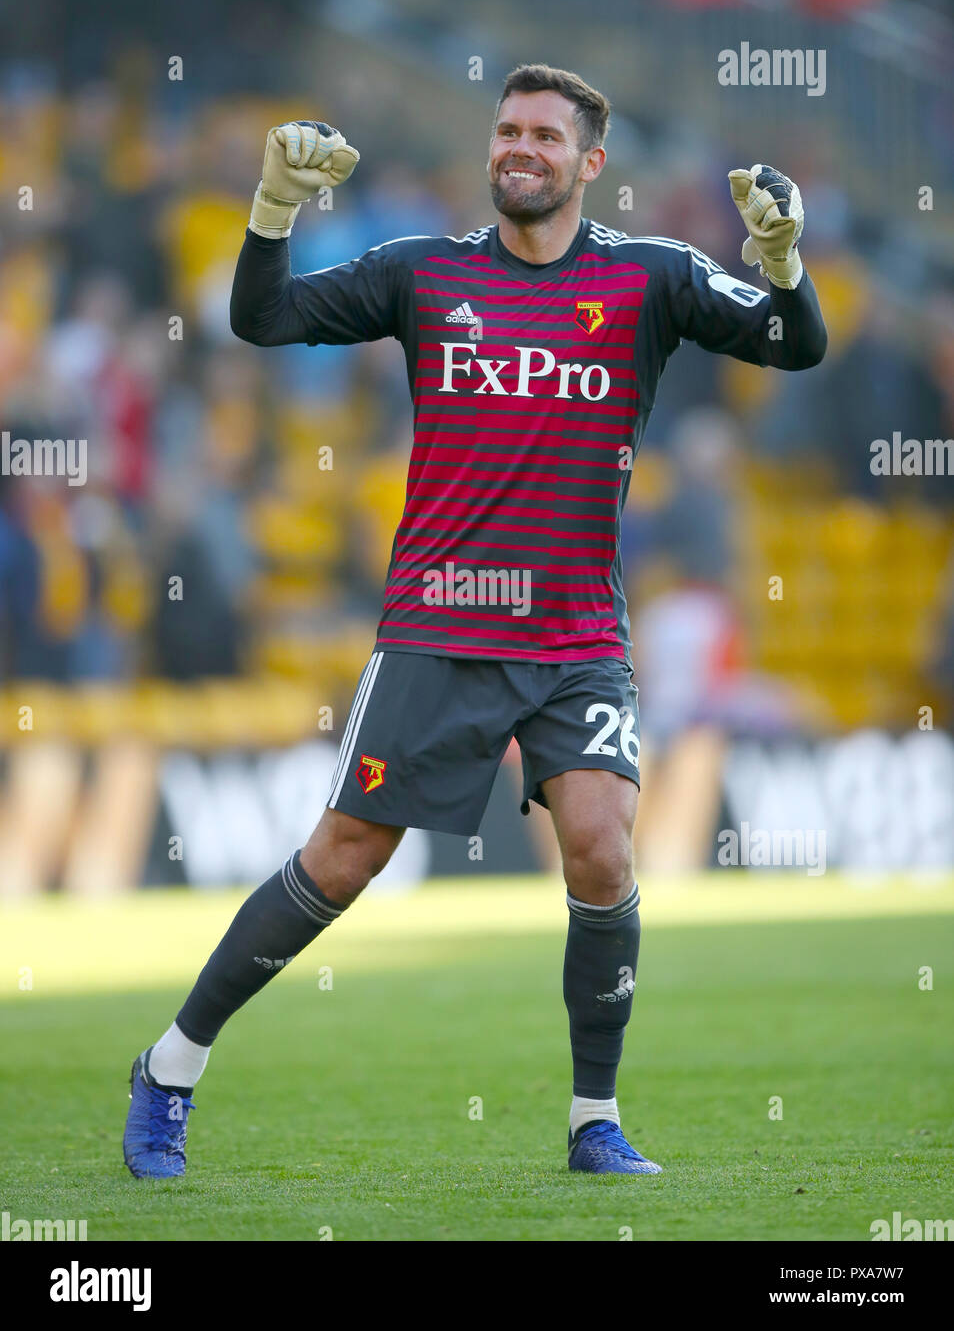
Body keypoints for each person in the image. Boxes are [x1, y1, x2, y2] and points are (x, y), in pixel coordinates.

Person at [123, 64, 827, 1178]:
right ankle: (171, 1063)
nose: (521, 149)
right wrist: (271, 210)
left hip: (578, 636)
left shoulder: (651, 279)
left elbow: (795, 345)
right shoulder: (424, 275)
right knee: (343, 861)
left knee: (600, 848)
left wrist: (785, 265)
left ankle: (593, 1118)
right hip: (439, 628)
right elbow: (261, 318)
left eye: (546, 136)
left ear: (591, 164)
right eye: (507, 130)